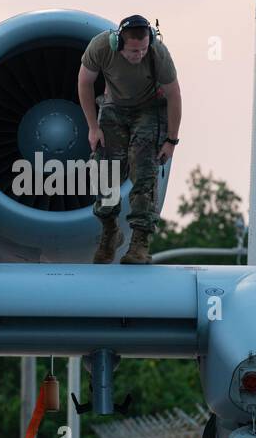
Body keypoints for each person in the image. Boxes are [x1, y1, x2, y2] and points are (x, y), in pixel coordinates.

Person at [77, 14, 183, 265]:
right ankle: (110, 230)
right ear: (118, 44)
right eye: (134, 51)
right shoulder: (101, 47)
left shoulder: (158, 54)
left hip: (150, 109)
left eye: (143, 49)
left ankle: (139, 243)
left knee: (143, 170)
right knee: (105, 170)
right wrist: (93, 128)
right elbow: (84, 82)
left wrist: (171, 140)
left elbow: (174, 95)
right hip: (114, 106)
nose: (139, 55)